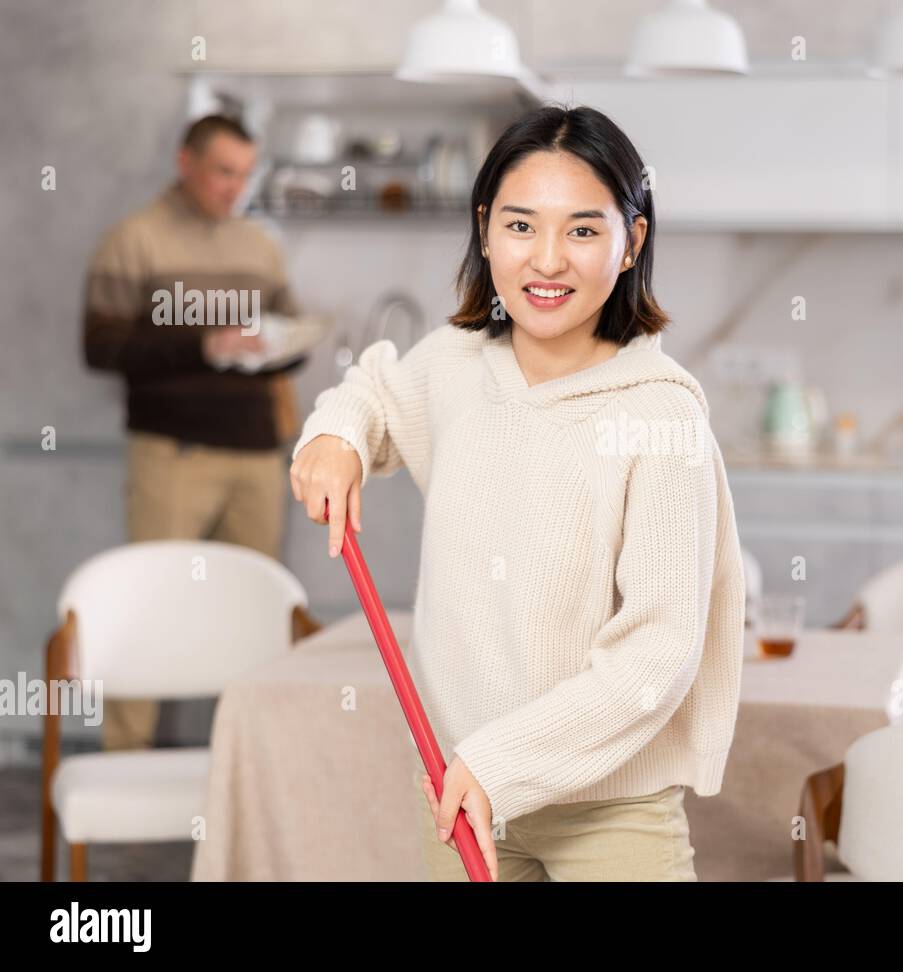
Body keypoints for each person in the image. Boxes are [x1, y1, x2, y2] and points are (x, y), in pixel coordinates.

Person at [289, 105, 746, 882]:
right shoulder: (459, 364)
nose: (547, 261)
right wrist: (335, 435)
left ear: (631, 241)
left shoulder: (660, 416)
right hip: (460, 799)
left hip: (610, 818)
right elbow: (373, 392)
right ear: (485, 229)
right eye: (522, 226)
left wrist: (501, 762)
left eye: (583, 230)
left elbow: (656, 658)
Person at [83, 114, 306, 751]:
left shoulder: (258, 245)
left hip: (256, 459)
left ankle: (248, 768)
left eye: (245, 173)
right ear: (186, 163)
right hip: (173, 457)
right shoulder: (133, 239)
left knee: (256, 614)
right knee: (147, 607)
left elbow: (285, 336)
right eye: (222, 171)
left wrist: (284, 345)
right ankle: (123, 763)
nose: (234, 187)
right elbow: (99, 345)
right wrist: (203, 343)